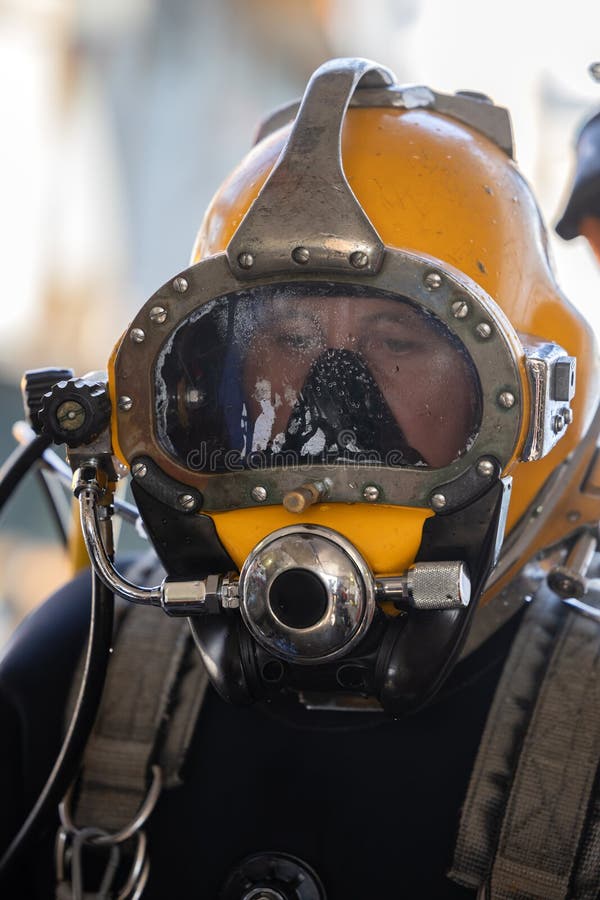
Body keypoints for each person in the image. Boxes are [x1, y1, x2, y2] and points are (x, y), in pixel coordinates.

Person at [1, 57, 599, 900]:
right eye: (288, 338)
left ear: (532, 406)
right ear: (205, 380)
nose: (333, 394)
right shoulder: (79, 676)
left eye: (399, 344)